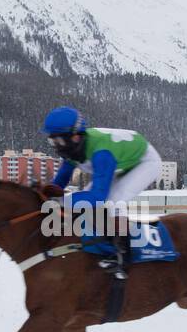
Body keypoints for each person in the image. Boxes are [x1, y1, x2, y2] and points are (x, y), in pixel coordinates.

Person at [43, 106, 162, 278]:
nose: (56, 146)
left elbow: (98, 197)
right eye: (52, 141)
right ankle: (94, 243)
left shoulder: (101, 153)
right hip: (123, 159)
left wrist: (60, 202)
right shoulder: (72, 148)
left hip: (146, 162)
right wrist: (44, 194)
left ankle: (122, 254)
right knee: (84, 195)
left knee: (114, 201)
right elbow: (59, 182)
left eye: (59, 141)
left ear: (76, 136)